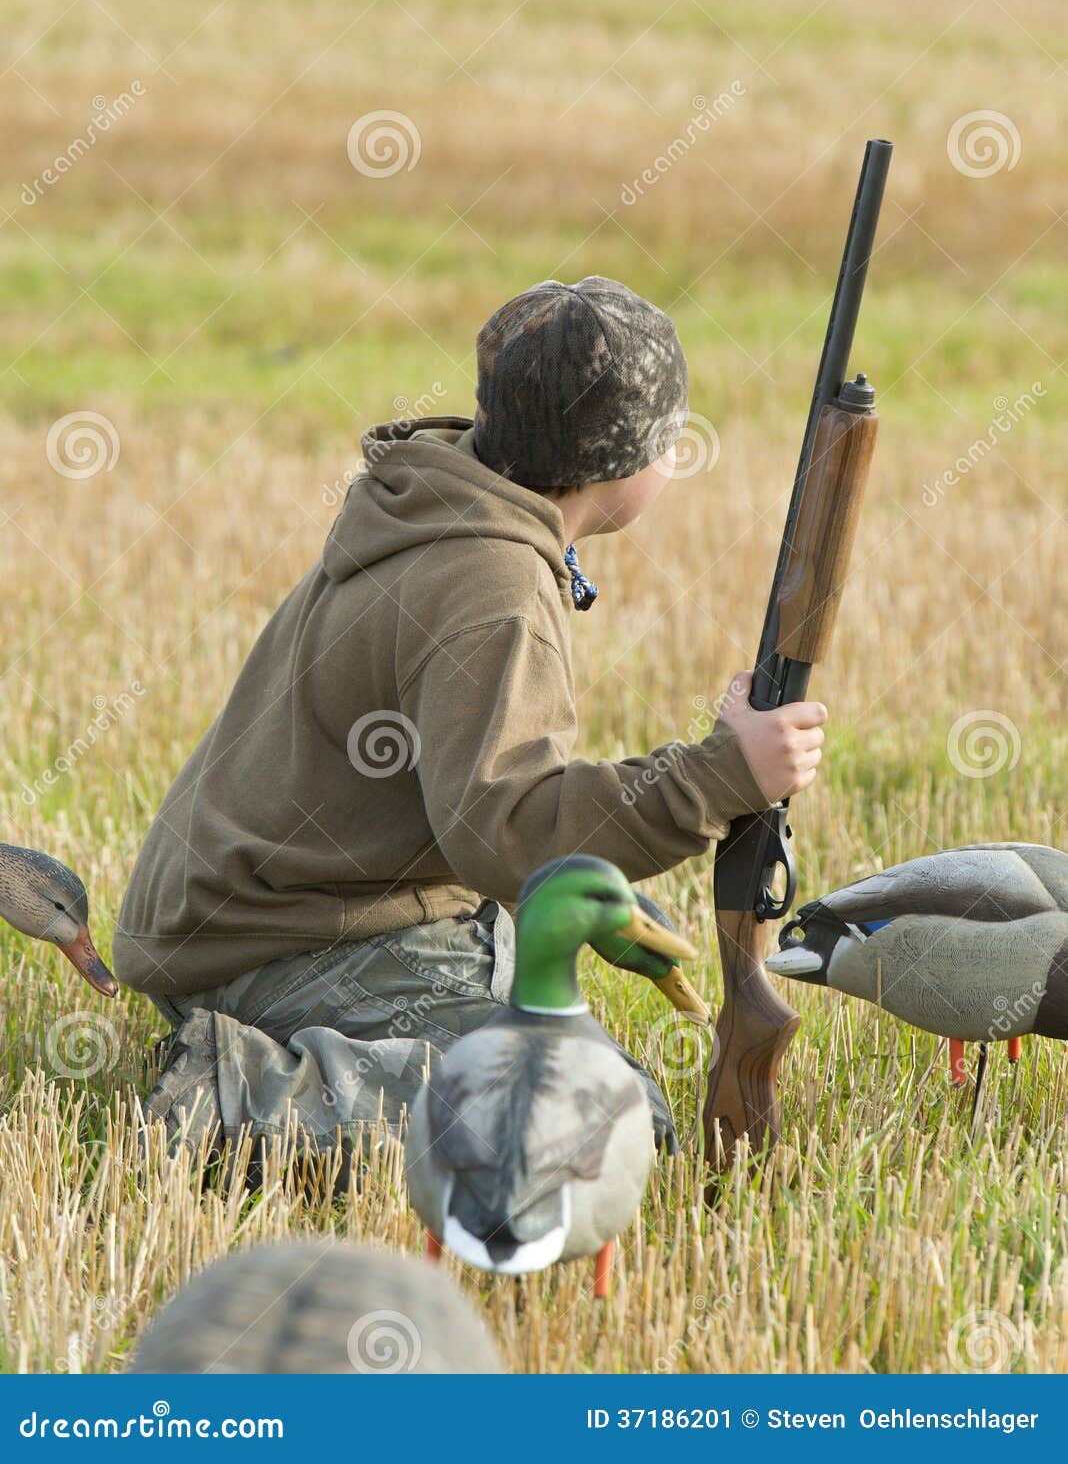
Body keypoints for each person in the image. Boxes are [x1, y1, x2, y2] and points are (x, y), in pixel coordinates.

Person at [114, 277, 827, 1158]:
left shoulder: (439, 506)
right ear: (617, 464)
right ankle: (237, 1102)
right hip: (280, 942)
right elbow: (506, 827)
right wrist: (723, 775)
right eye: (672, 439)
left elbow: (466, 797)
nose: (679, 455)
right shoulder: (492, 581)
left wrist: (589, 891)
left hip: (255, 910)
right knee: (609, 1122)